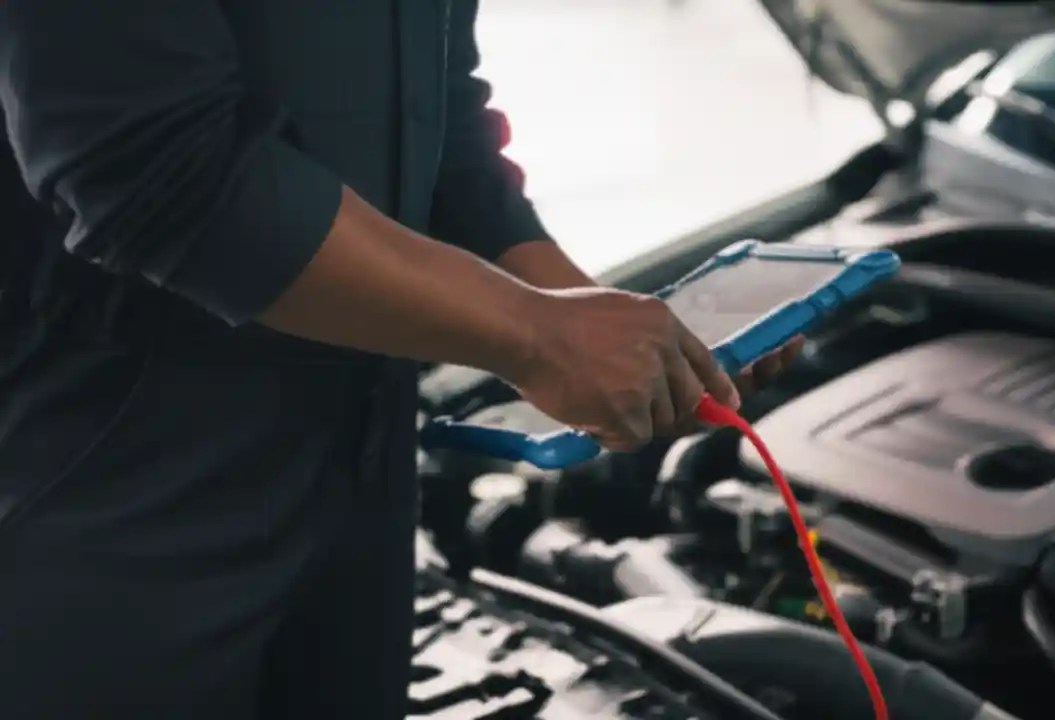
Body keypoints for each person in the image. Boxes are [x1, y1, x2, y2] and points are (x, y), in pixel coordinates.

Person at [0, 1, 800, 717]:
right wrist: (533, 334)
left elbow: (437, 111)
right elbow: (146, 161)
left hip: (359, 480)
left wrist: (592, 319)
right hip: (112, 502)